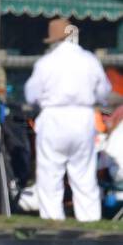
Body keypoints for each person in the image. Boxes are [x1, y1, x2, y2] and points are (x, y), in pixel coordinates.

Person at [23, 18, 113, 221]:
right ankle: (90, 221)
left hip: (54, 117)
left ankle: (53, 222)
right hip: (82, 117)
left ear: (55, 40)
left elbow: (31, 94)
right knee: (84, 174)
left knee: (50, 174)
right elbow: (103, 91)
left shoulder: (46, 62)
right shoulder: (89, 60)